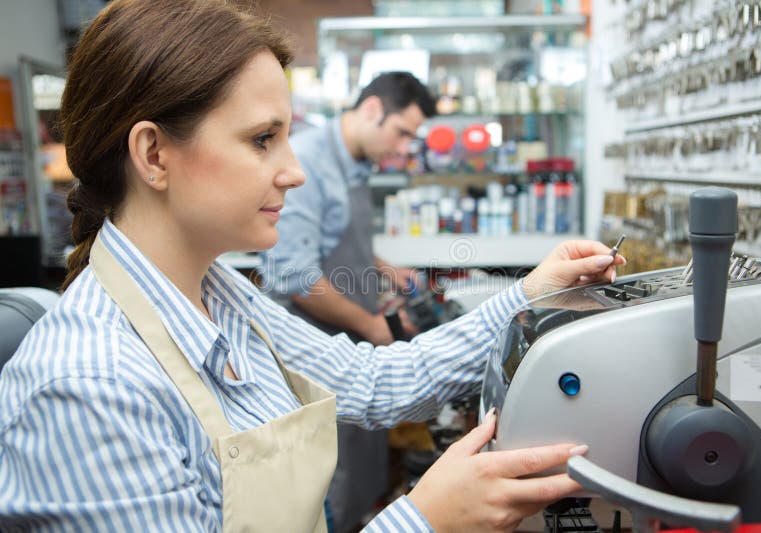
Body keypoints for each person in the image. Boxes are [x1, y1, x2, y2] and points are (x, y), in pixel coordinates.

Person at [0, 1, 625, 532]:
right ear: (154, 154)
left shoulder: (225, 299)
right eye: (262, 139)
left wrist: (532, 294)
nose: (295, 171)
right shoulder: (89, 387)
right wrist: (424, 518)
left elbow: (376, 382)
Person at [263, 71, 435, 531]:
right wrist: (372, 326)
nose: (403, 147)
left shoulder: (357, 163)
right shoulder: (309, 159)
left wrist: (384, 268)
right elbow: (295, 274)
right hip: (310, 350)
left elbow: (340, 236)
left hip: (351, 339)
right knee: (328, 477)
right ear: (373, 110)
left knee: (361, 465)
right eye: (402, 133)